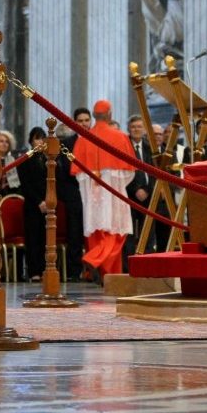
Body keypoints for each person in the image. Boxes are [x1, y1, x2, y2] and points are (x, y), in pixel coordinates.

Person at [71, 100, 135, 280]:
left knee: (97, 235)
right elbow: (129, 173)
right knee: (117, 233)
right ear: (109, 114)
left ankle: (107, 276)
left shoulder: (83, 140)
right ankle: (93, 259)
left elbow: (78, 176)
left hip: (92, 197)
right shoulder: (120, 137)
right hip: (113, 195)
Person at [16, 126, 51, 281]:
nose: (40, 141)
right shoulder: (24, 160)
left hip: (48, 204)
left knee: (46, 239)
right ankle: (33, 271)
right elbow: (26, 185)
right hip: (32, 204)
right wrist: (39, 201)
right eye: (37, 138)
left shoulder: (48, 159)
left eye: (43, 138)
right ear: (31, 141)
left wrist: (48, 201)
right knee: (33, 238)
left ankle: (45, 269)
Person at [123, 115, 156, 258]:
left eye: (139, 126)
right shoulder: (124, 146)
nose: (136, 129)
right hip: (129, 194)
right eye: (133, 127)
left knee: (148, 230)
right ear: (129, 129)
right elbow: (123, 171)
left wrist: (147, 190)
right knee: (129, 232)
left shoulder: (151, 148)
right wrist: (136, 189)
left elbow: (156, 172)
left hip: (148, 195)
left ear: (144, 130)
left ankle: (147, 260)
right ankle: (129, 263)